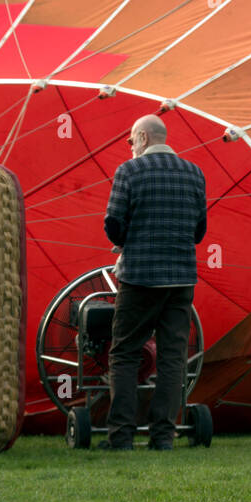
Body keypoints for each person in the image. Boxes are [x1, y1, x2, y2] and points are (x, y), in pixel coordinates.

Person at [101, 114, 207, 451]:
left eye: (131, 141)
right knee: (173, 358)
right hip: (180, 279)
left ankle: (121, 436)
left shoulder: (129, 172)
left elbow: (113, 224)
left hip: (140, 278)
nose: (130, 148)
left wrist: (126, 239)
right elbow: (199, 232)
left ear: (143, 138)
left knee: (125, 354)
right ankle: (163, 436)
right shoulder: (194, 172)